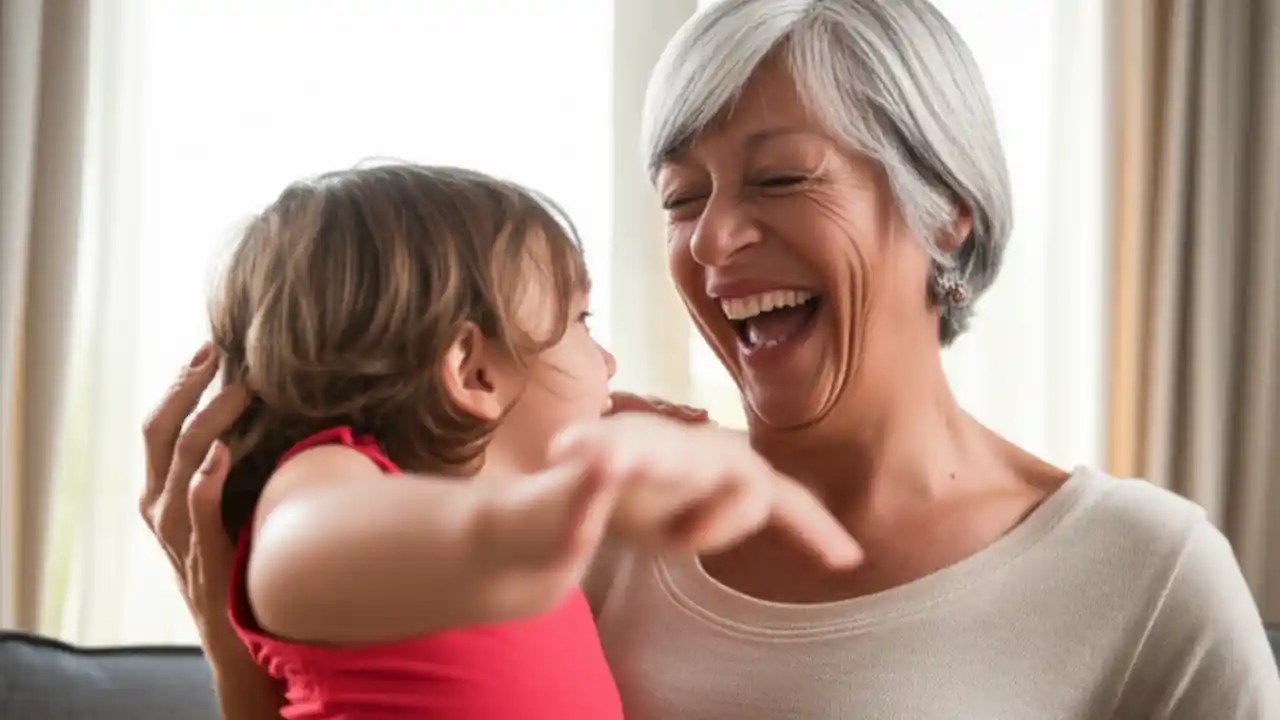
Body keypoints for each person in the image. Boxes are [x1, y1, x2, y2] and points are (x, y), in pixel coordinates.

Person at [143, 0, 1280, 717]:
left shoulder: (1143, 577)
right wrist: (234, 637)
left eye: (779, 178)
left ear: (948, 217)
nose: (713, 240)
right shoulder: (583, 515)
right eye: (681, 197)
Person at [152, 163, 859, 719]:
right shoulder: (332, 477)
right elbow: (299, 552)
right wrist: (551, 512)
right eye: (583, 320)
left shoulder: (487, 509)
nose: (608, 364)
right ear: (473, 369)